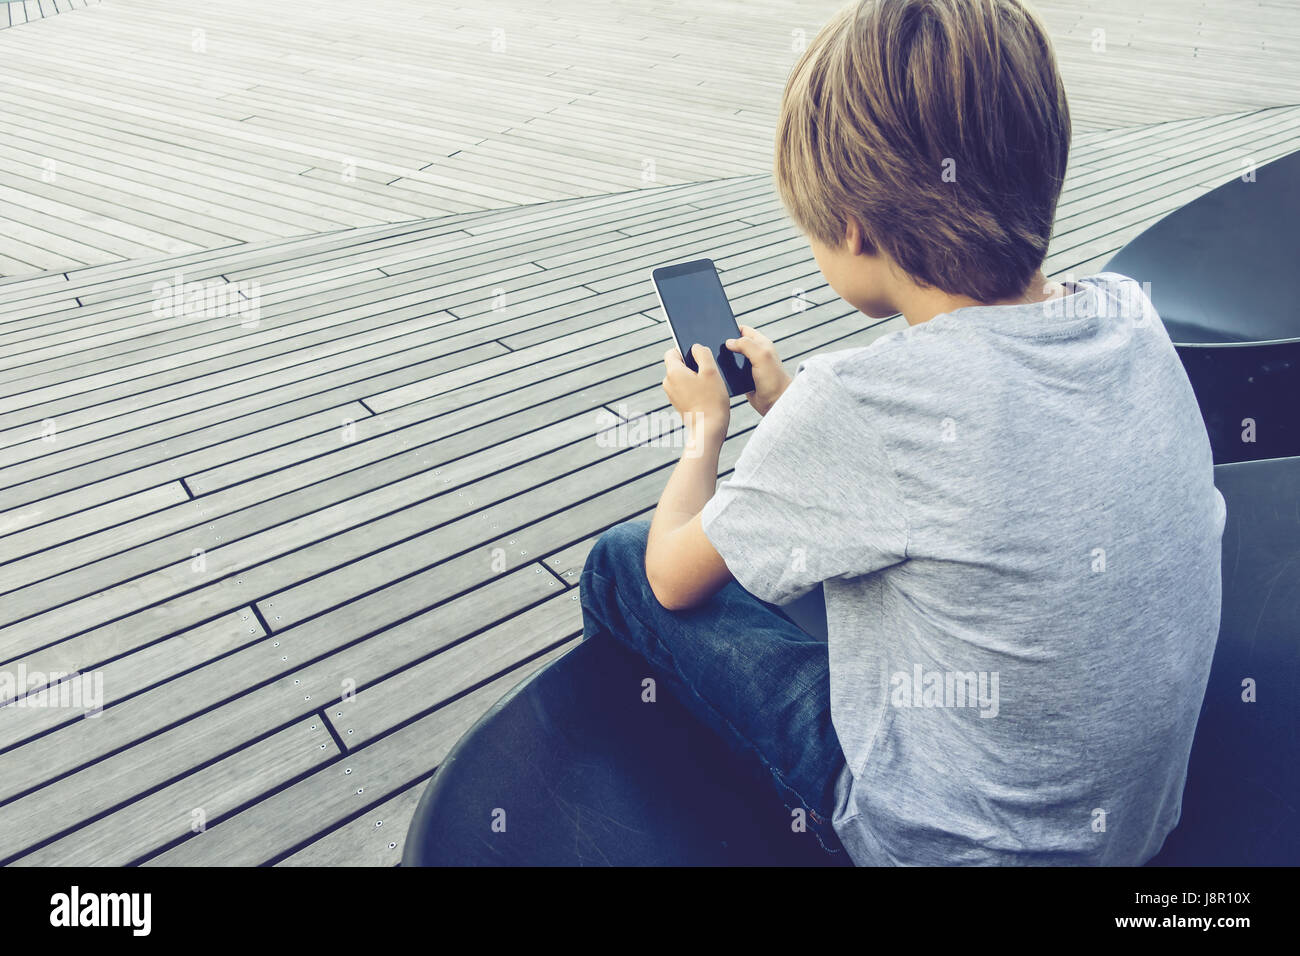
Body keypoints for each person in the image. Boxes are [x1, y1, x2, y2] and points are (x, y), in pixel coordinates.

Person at [579, 0, 1226, 865]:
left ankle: (639, 808)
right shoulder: (1128, 316)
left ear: (850, 226)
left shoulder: (858, 403)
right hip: (1134, 822)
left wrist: (706, 429)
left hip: (938, 843)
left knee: (621, 561)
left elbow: (672, 579)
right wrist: (786, 400)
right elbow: (981, 454)